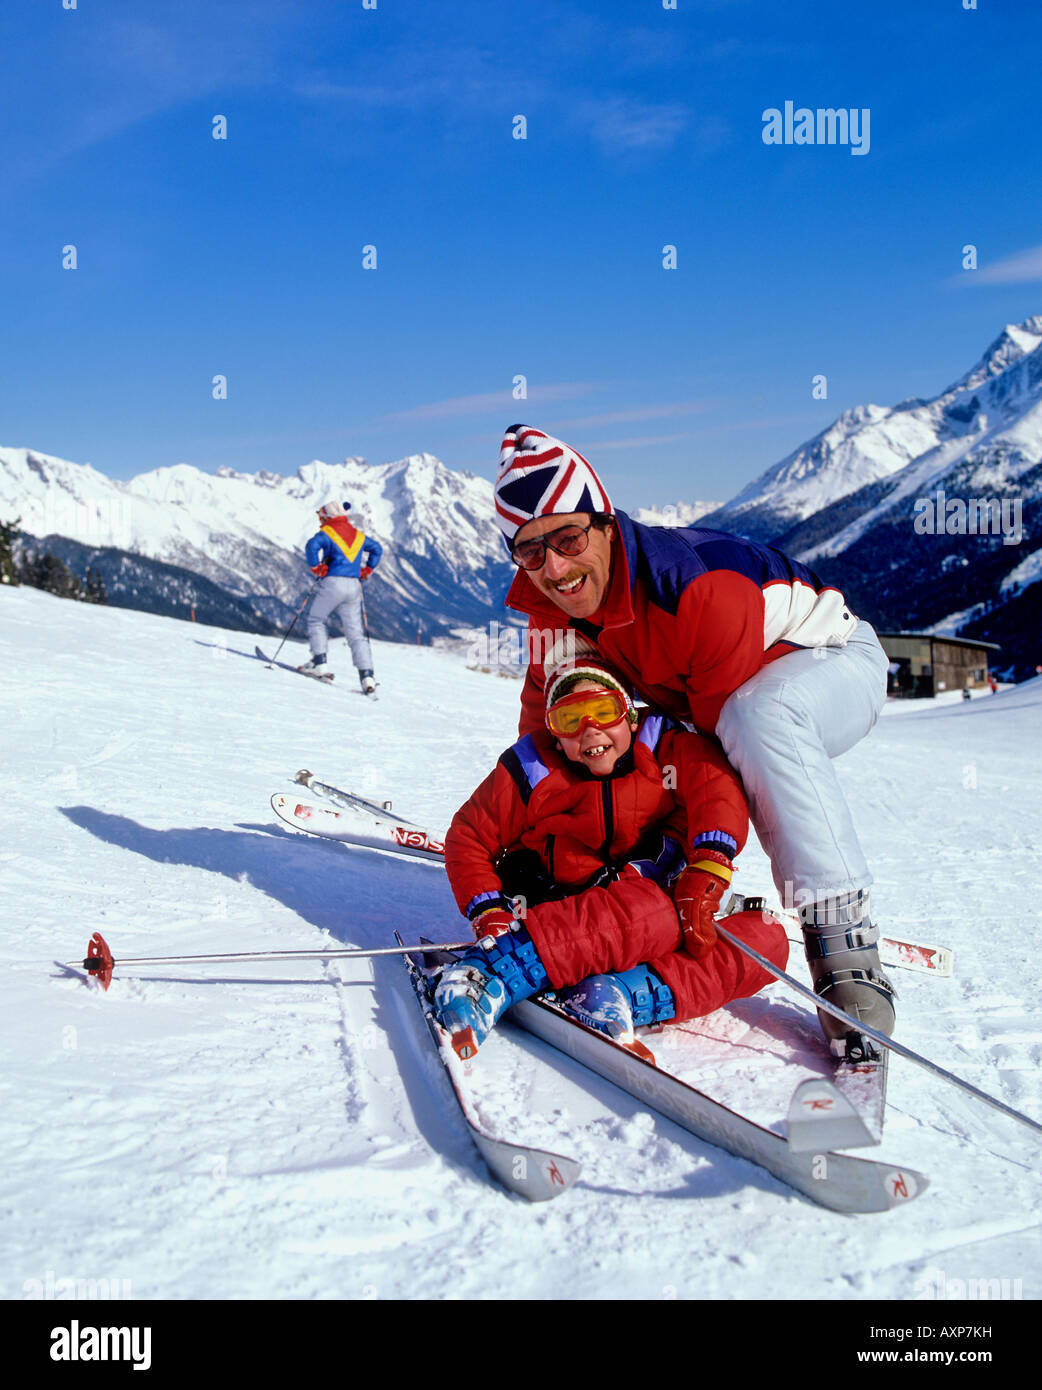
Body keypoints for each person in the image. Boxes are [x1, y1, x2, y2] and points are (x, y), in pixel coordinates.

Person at [491, 423, 895, 1061]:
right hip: (730, 700)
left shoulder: (697, 592)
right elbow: (551, 734)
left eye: (567, 539)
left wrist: (701, 858)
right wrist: (538, 843)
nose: (555, 569)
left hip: (834, 665)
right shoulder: (553, 610)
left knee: (753, 719)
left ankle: (843, 939)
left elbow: (709, 760)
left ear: (604, 524)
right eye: (531, 552)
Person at [434, 640, 788, 1060]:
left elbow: (714, 787)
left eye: (604, 712)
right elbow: (468, 836)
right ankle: (490, 971)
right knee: (653, 915)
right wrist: (488, 910)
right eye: (569, 719)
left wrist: (710, 864)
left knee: (768, 939)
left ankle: (618, 991)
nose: (590, 731)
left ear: (630, 715)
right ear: (555, 734)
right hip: (563, 907)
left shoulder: (663, 748)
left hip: (656, 901)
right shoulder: (533, 770)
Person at [299, 501, 381, 694]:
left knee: (316, 620)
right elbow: (377, 548)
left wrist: (316, 567)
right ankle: (367, 677)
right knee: (355, 633)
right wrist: (367, 569)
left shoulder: (327, 533)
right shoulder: (358, 535)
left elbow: (311, 546)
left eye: (322, 517)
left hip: (332, 582)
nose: (320, 521)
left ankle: (320, 665)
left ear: (328, 517)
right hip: (354, 585)